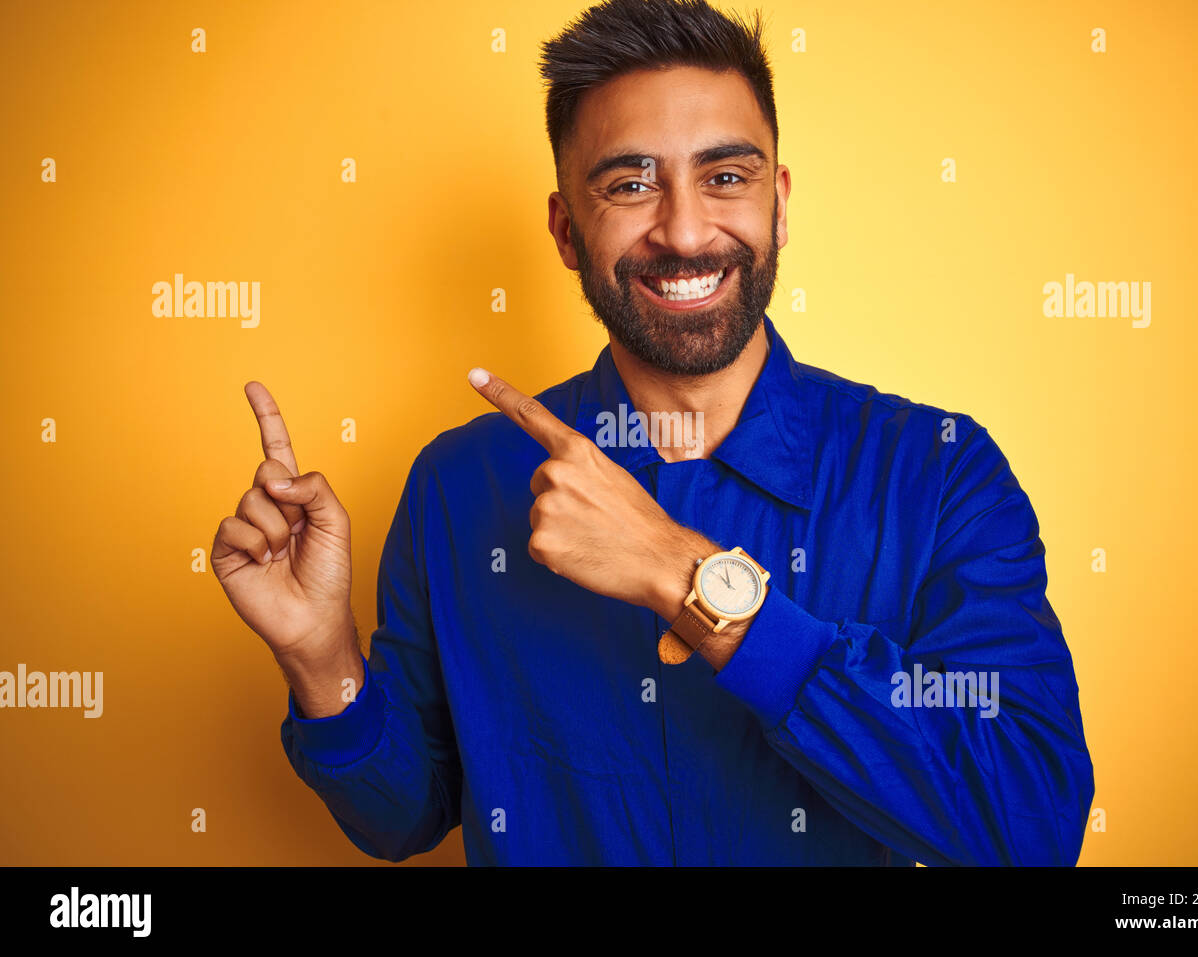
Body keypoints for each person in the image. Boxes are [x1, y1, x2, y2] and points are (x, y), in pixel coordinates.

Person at [212, 0, 1093, 865]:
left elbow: (1031, 824)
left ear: (778, 205)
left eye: (726, 176)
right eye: (630, 185)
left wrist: (685, 577)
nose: (683, 229)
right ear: (566, 229)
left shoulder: (939, 476)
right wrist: (321, 658)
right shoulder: (457, 485)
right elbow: (402, 817)